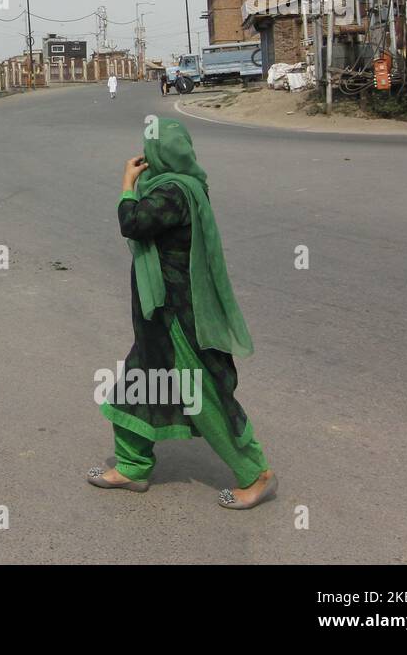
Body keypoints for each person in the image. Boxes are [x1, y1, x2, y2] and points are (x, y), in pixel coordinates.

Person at [89, 117, 276, 510]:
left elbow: (134, 223)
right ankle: (132, 464)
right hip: (158, 313)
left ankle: (255, 472)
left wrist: (126, 184)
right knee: (137, 382)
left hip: (176, 313)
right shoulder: (180, 184)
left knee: (202, 394)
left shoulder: (173, 193)